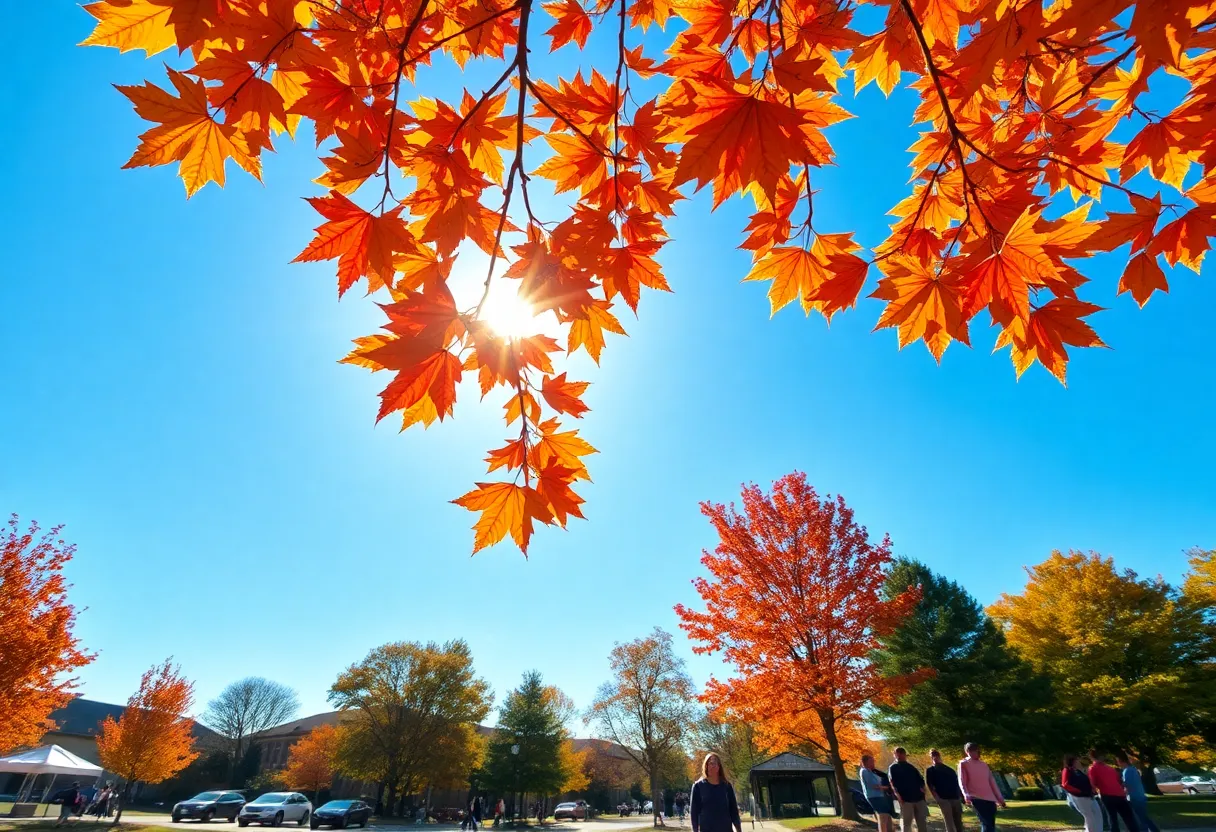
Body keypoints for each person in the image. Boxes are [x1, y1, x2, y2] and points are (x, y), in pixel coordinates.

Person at [958, 743, 1005, 832]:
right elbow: (962, 781)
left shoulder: (984, 765)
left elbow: (992, 782)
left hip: (990, 799)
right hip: (976, 798)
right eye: (973, 751)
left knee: (991, 824)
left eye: (977, 750)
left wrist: (999, 798)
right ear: (967, 752)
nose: (976, 753)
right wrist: (966, 794)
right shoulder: (964, 764)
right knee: (986, 823)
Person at [690, 753, 743, 832]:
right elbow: (694, 812)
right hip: (706, 828)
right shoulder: (698, 787)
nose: (711, 766)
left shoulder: (727, 786)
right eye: (709, 763)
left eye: (714, 763)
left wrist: (738, 828)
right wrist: (695, 830)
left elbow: (733, 810)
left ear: (719, 766)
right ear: (705, 766)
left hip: (725, 828)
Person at [1088, 751, 1139, 832]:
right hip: (1119, 794)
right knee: (1128, 818)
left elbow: (1092, 783)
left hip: (1107, 795)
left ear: (1091, 758)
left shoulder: (1092, 768)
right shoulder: (1110, 768)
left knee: (1112, 818)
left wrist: (1094, 791)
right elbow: (1118, 780)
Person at [1115, 753, 1159, 832]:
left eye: (1118, 762)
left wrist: (1119, 788)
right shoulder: (1133, 769)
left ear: (1122, 761)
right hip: (1140, 796)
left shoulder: (1127, 771)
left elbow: (1127, 785)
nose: (1118, 764)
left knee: (1140, 819)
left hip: (1135, 797)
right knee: (1143, 817)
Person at [889, 747, 929, 832]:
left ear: (904, 754)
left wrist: (923, 789)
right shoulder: (893, 767)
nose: (899, 755)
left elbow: (921, 780)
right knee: (906, 823)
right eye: (897, 753)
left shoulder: (911, 767)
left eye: (901, 753)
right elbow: (893, 783)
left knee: (922, 822)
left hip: (919, 799)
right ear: (895, 755)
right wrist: (898, 796)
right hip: (905, 800)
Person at [1060, 755, 1103, 832]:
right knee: (1089, 816)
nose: (1078, 762)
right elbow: (1065, 784)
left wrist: (1092, 789)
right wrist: (1079, 791)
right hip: (1079, 797)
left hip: (1089, 795)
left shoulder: (1077, 771)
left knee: (1097, 814)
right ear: (1072, 761)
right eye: (1077, 760)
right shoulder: (1066, 770)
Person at [925, 748, 964, 832]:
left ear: (939, 756)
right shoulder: (930, 770)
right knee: (949, 820)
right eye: (933, 756)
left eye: (936, 756)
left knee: (958, 821)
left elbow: (957, 784)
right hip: (943, 798)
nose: (935, 758)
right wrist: (937, 798)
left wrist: (960, 796)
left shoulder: (949, 770)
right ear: (931, 758)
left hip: (955, 797)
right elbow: (930, 785)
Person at [859, 754, 895, 832]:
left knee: (888, 816)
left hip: (881, 795)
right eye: (871, 761)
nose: (873, 762)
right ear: (865, 762)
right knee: (883, 816)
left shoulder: (872, 771)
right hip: (874, 796)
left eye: (873, 761)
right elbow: (875, 786)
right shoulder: (865, 771)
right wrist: (888, 787)